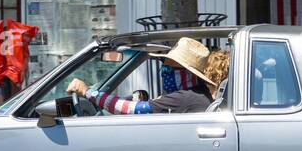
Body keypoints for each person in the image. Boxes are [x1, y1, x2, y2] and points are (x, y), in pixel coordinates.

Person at [66, 37, 229, 115]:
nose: (165, 74)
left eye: (169, 70)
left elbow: (129, 110)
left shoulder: (185, 98)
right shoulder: (196, 95)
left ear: (187, 73)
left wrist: (88, 92)